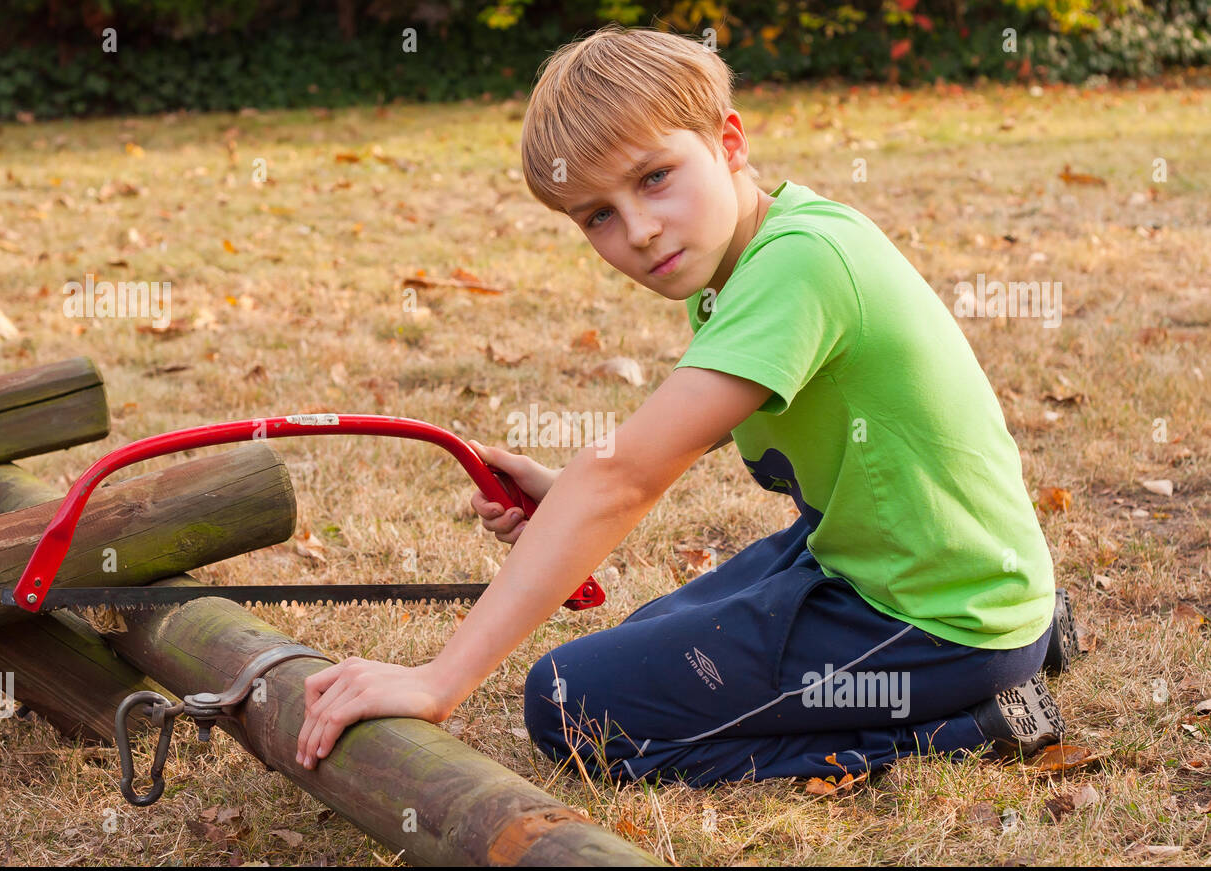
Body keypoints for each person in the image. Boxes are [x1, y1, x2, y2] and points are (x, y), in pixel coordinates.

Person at [296, 24, 1079, 786]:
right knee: (643, 644)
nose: (637, 231)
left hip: (934, 615)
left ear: (729, 142)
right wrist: (563, 487)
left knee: (572, 705)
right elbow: (666, 436)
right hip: (899, 566)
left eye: (654, 177)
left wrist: (439, 680)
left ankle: (964, 724)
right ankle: (1024, 642)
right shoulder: (750, 255)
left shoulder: (799, 266)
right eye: (598, 215)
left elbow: (628, 479)